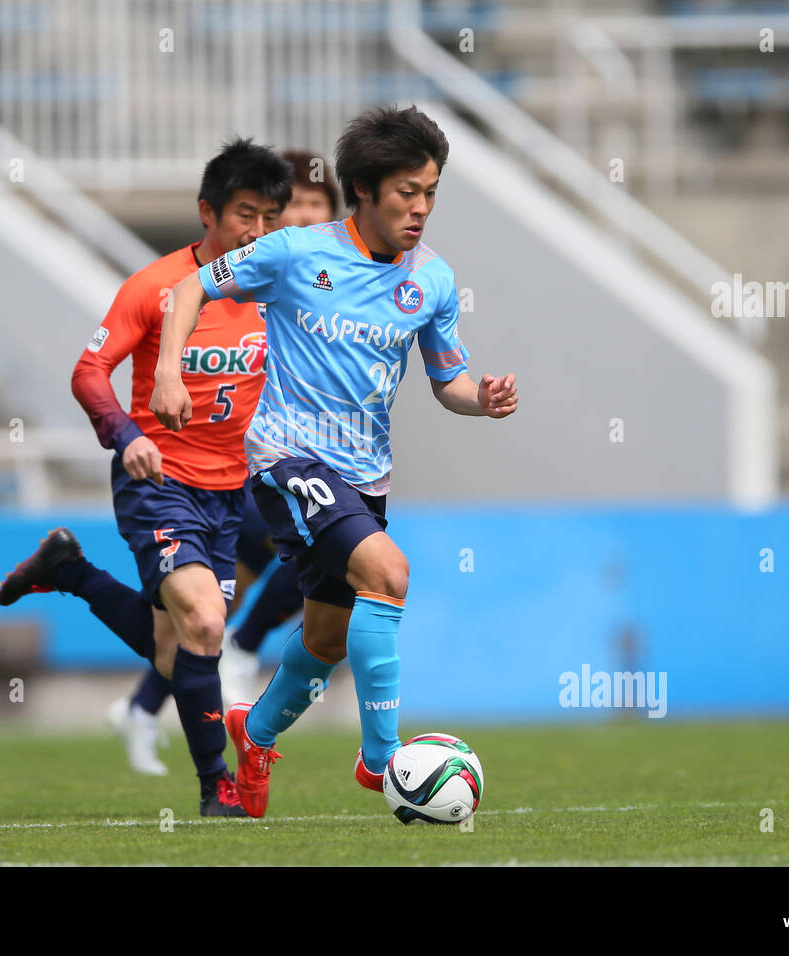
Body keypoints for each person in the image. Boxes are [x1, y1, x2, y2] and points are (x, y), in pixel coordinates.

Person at [151, 106, 519, 818]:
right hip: (288, 458)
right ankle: (383, 764)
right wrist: (169, 373)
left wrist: (486, 397)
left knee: (325, 638)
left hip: (365, 476)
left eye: (432, 192)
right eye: (407, 191)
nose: (421, 207)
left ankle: (253, 735)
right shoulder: (294, 253)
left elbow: (450, 382)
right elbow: (190, 286)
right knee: (390, 571)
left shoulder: (433, 282)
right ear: (365, 188)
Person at [0, 139, 292, 816]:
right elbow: (88, 372)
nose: (257, 231)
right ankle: (217, 786)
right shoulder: (155, 286)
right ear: (206, 213)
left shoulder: (277, 292)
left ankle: (69, 571)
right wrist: (125, 435)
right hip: (158, 482)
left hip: (228, 494)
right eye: (245, 214)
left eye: (270, 218)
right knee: (208, 626)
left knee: (175, 655)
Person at [217, 149, 342, 707]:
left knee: (329, 552)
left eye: (318, 205)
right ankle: (228, 652)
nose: (304, 216)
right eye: (293, 206)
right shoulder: (253, 276)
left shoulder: (337, 285)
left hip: (313, 454)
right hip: (237, 454)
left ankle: (242, 649)